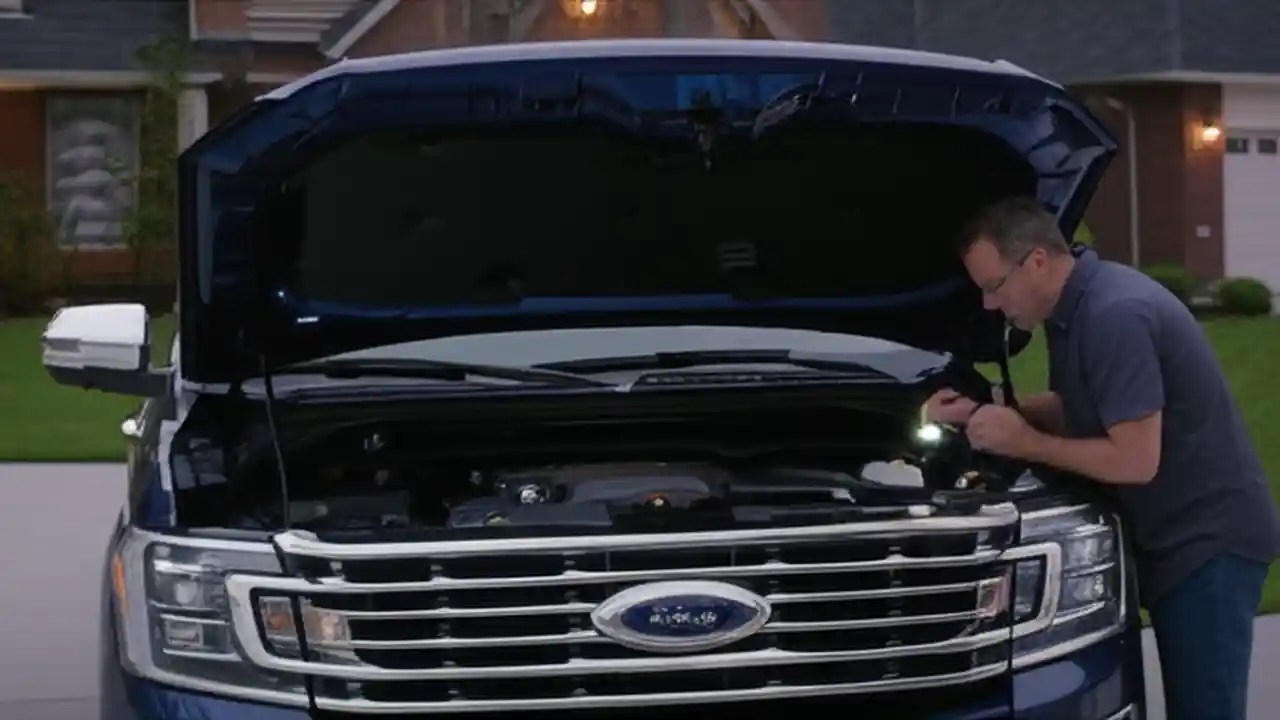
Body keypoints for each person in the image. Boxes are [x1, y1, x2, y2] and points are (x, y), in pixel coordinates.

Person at [926, 196, 1280, 720]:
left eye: (994, 286)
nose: (988, 305)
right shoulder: (1075, 308)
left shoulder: (1116, 314)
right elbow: (1086, 407)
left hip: (1209, 545)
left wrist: (1024, 441)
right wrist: (991, 409)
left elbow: (1136, 460)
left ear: (1037, 261)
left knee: (1205, 709)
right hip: (1174, 540)